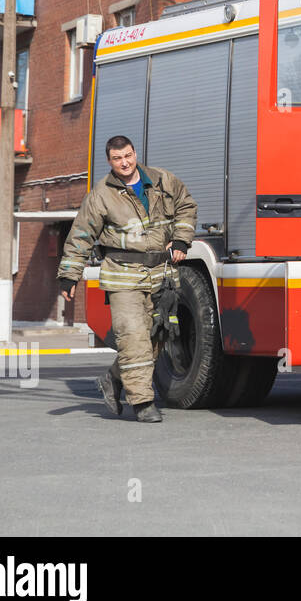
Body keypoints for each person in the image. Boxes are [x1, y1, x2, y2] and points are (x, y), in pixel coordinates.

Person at [58, 136, 197, 423]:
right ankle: (143, 402)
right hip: (123, 275)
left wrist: (182, 240)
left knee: (157, 335)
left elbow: (186, 206)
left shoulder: (162, 180)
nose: (125, 162)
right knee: (133, 336)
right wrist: (69, 276)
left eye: (128, 155)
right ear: (109, 162)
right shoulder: (100, 195)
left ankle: (112, 378)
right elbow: (81, 235)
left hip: (162, 274)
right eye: (118, 158)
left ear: (135, 154)